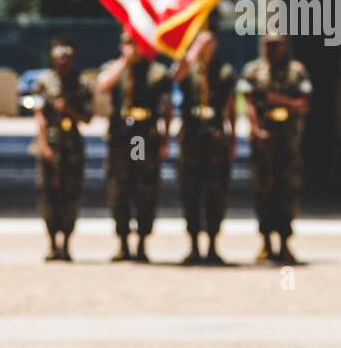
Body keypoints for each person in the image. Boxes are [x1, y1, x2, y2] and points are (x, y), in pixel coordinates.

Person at [97, 31, 172, 263]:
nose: (132, 47)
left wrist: (165, 139)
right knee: (118, 189)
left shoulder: (156, 72)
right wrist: (124, 62)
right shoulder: (114, 68)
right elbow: (102, 86)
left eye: (136, 43)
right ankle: (122, 243)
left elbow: (166, 108)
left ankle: (141, 242)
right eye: (127, 43)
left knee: (143, 189)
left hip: (142, 138)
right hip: (121, 137)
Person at [240, 33, 311, 264]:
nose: (272, 50)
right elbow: (248, 102)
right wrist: (255, 129)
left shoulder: (296, 71)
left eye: (277, 45)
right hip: (264, 142)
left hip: (287, 141)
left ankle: (285, 243)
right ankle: (266, 243)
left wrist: (282, 102)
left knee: (287, 191)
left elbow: (304, 104)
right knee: (263, 191)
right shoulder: (253, 71)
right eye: (268, 45)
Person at [173, 30, 237, 265]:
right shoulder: (188, 67)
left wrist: (233, 139)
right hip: (191, 140)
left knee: (215, 194)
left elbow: (230, 105)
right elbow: (175, 78)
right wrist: (191, 55)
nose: (205, 46)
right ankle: (193, 246)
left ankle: (212, 246)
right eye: (200, 41)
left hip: (215, 140)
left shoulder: (224, 70)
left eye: (208, 42)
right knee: (190, 193)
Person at [31, 36, 95, 263]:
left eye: (67, 57)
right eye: (59, 57)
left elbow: (88, 117)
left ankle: (66, 244)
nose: (63, 61)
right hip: (50, 143)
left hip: (72, 146)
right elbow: (38, 116)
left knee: (71, 195)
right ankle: (51, 244)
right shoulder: (43, 82)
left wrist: (69, 110)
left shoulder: (82, 83)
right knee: (46, 195)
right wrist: (43, 145)